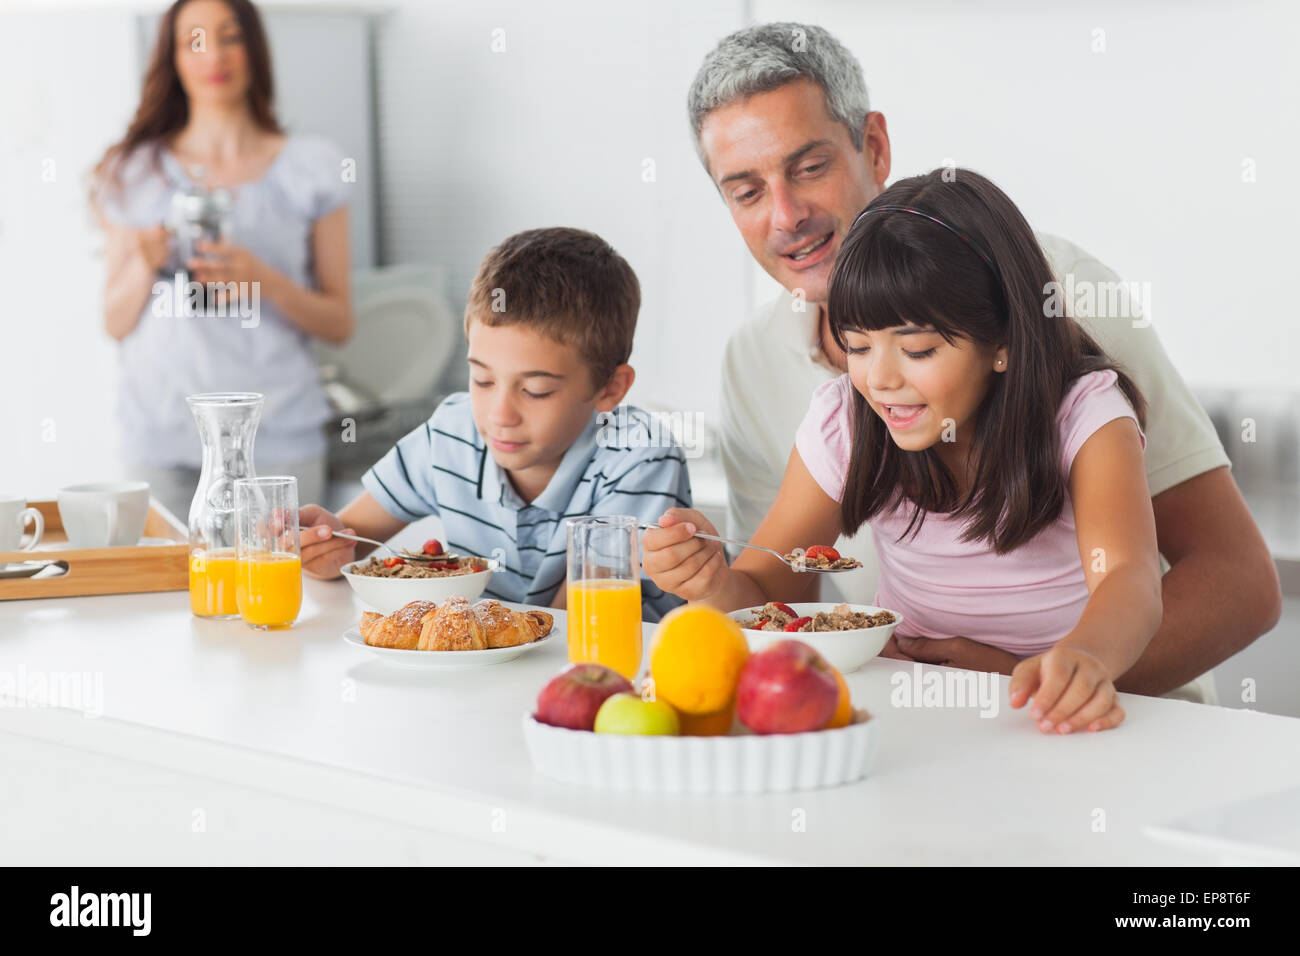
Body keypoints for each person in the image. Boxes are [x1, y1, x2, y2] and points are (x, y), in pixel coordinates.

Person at [671, 21, 1280, 702]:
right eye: (747, 190)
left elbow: (1236, 584)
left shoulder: (1054, 297)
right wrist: (709, 578)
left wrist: (1033, 683)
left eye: (808, 167)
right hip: (927, 727)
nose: (785, 215)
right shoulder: (775, 376)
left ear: (873, 147)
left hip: (1114, 724)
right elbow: (775, 600)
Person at [647, 169, 1164, 733]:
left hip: (1050, 719)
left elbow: (1127, 579)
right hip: (911, 715)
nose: (880, 379)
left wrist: (1086, 657)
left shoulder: (1083, 415)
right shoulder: (844, 421)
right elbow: (765, 592)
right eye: (859, 346)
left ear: (1003, 344)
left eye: (917, 349)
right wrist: (711, 582)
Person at [297, 227, 690, 621]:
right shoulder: (453, 432)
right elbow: (349, 540)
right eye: (483, 380)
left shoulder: (639, 454)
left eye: (535, 390)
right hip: (502, 674)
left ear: (609, 388)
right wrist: (323, 548)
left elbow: (577, 625)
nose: (499, 415)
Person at [90, 0, 353, 520]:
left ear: (253, 50)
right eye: (195, 40)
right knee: (170, 597)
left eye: (230, 36)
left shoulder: (312, 167)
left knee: (283, 593)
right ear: (173, 59)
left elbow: (340, 324)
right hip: (162, 436)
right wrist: (145, 264)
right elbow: (114, 322)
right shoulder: (134, 172)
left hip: (278, 436)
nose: (215, 54)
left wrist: (266, 282)